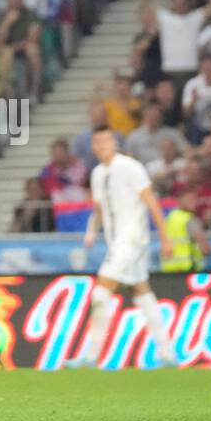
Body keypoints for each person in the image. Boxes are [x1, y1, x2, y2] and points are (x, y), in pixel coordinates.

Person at [70, 124, 177, 368]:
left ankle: (91, 356)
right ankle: (168, 354)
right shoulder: (97, 174)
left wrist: (165, 238)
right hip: (116, 242)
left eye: (106, 141)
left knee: (100, 293)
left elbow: (152, 203)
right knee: (142, 293)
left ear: (114, 143)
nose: (102, 146)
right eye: (98, 142)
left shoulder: (130, 167)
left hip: (132, 240)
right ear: (93, 146)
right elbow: (99, 209)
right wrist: (90, 233)